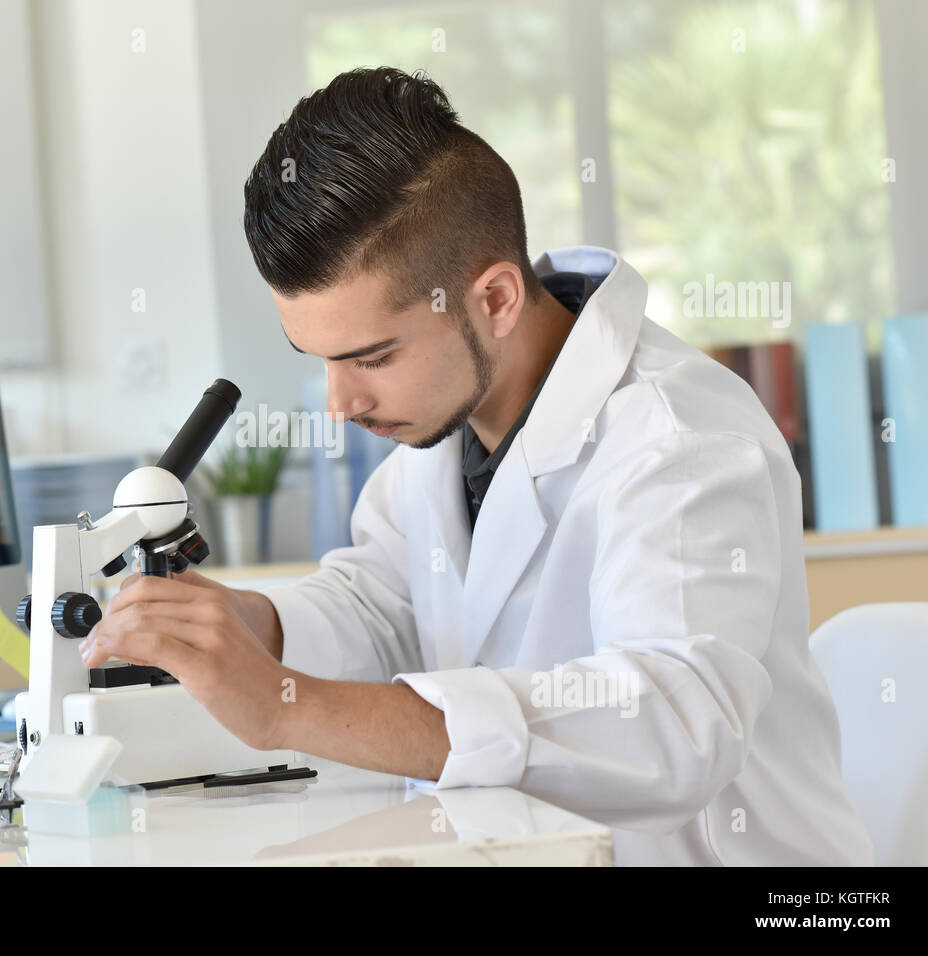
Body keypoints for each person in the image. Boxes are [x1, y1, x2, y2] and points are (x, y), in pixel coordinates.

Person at [81, 67, 874, 866]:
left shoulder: (679, 440)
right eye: (318, 359)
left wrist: (286, 708)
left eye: (372, 357)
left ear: (494, 299)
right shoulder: (444, 422)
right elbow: (386, 606)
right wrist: (261, 626)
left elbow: (671, 725)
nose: (340, 404)